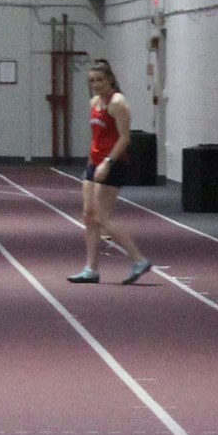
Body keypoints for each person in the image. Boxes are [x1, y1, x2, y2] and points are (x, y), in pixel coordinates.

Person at [67, 60, 153, 285]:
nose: (95, 84)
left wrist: (107, 162)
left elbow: (124, 138)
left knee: (102, 218)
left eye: (100, 80)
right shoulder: (94, 102)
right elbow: (96, 136)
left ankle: (139, 259)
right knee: (88, 216)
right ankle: (91, 269)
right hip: (94, 162)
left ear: (110, 80)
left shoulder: (118, 102)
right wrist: (90, 163)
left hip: (113, 162)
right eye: (92, 81)